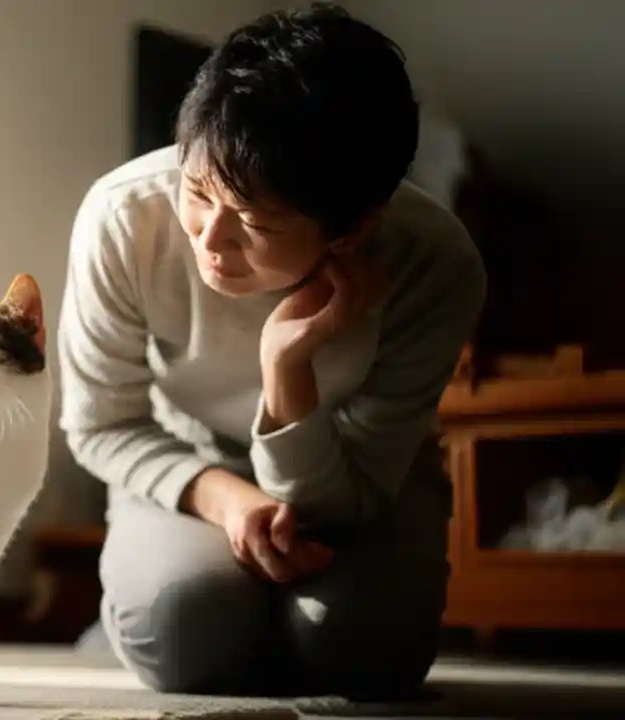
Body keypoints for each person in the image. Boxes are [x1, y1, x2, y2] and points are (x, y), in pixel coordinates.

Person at [57, 3, 486, 701]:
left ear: (350, 230)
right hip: (183, 465)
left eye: (252, 221)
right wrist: (226, 501)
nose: (211, 239)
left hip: (364, 478)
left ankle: (260, 614)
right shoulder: (124, 218)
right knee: (184, 633)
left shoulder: (433, 264)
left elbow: (351, 497)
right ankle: (172, 594)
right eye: (197, 192)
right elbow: (100, 424)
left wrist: (288, 367)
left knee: (360, 653)